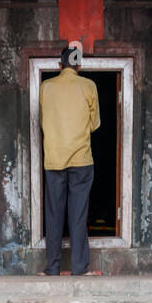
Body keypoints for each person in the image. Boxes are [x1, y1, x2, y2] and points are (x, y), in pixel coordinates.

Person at [39, 42, 101, 276]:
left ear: (60, 64)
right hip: (81, 160)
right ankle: (79, 268)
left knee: (54, 215)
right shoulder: (89, 86)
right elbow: (94, 125)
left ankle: (52, 268)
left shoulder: (46, 87)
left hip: (54, 159)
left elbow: (44, 119)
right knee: (78, 215)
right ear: (79, 65)